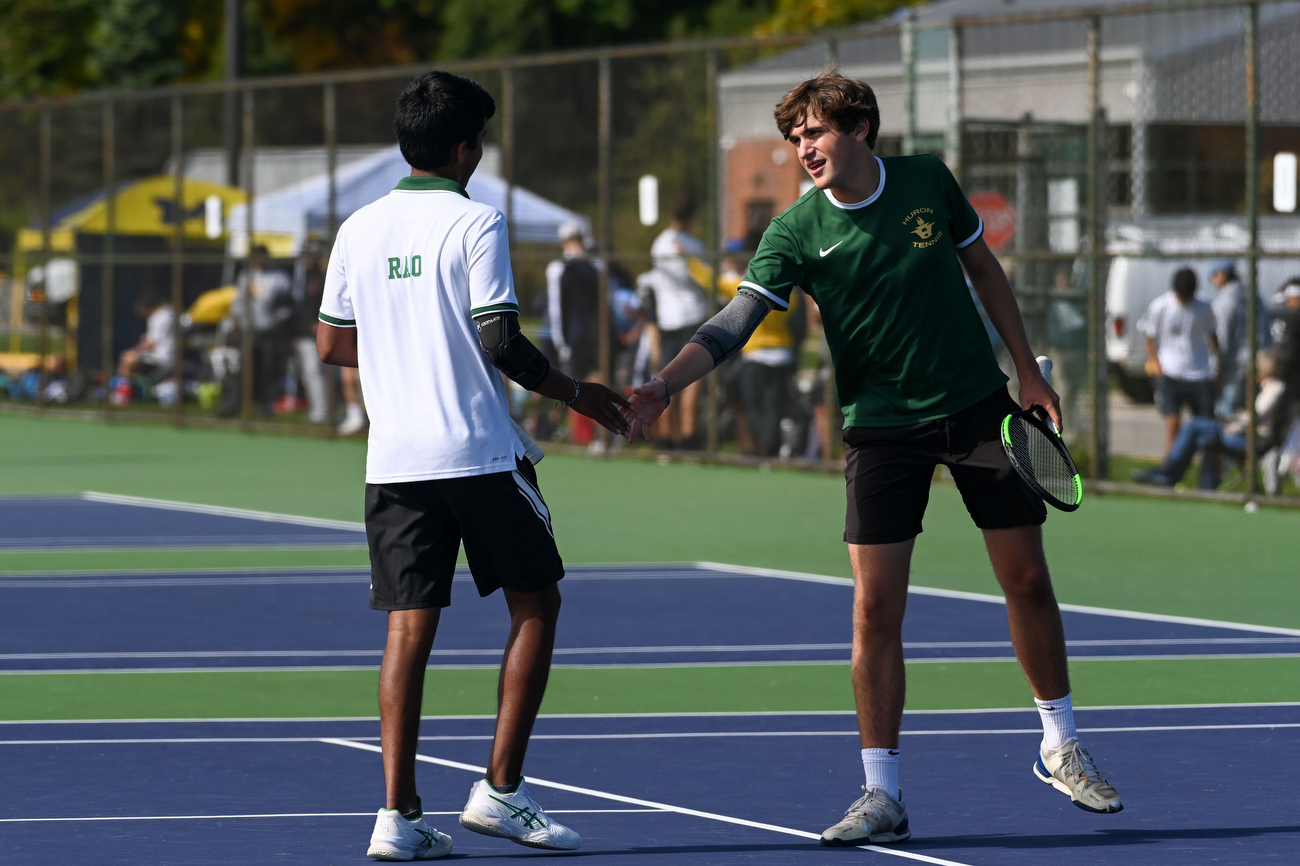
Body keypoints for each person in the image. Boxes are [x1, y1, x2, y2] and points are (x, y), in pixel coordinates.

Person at [627, 70, 1123, 846]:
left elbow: (983, 270)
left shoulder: (926, 179)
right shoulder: (794, 231)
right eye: (794, 139)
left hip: (975, 409)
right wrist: (662, 383)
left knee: (1026, 577)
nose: (803, 149)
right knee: (873, 609)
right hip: (879, 430)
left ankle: (1061, 745)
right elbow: (737, 318)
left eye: (815, 133)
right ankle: (880, 791)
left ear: (858, 129)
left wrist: (1028, 371)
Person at [316, 70, 629, 861]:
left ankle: (397, 817)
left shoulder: (357, 227)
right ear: (464, 149)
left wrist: (398, 347)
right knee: (537, 605)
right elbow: (500, 342)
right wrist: (577, 393)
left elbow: (330, 344)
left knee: (407, 632)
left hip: (393, 463)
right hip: (479, 454)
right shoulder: (476, 222)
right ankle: (500, 793)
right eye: (479, 143)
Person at [1131, 350, 1287, 490]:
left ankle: (1168, 472)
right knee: (1203, 438)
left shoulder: (1275, 389)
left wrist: (1234, 426)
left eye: (1257, 368)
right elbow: (1252, 415)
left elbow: (1258, 417)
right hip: (1243, 434)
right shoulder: (1268, 388)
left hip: (1251, 440)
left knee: (1194, 425)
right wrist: (1230, 419)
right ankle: (1195, 481)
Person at [639, 195, 710, 449]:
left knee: (668, 380)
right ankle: (688, 438)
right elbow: (704, 279)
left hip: (669, 319)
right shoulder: (694, 246)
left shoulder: (659, 243)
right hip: (692, 317)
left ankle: (667, 440)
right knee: (693, 379)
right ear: (692, 217)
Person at [1138, 267, 1219, 454]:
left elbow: (1213, 337)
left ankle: (1209, 476)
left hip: (1200, 374)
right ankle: (1169, 471)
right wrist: (1157, 365)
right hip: (1171, 373)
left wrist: (1216, 368)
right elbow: (1149, 338)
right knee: (1173, 422)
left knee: (1207, 427)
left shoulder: (1205, 306)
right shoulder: (1161, 306)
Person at [234, 245, 294, 418]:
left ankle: (266, 407)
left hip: (269, 332)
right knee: (245, 369)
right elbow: (238, 302)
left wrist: (277, 319)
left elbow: (289, 305)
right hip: (248, 330)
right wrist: (238, 320)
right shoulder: (246, 276)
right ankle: (239, 405)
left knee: (269, 370)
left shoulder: (280, 278)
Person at [545, 221, 602, 380]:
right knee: (594, 379)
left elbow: (556, 307)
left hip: (572, 335)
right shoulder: (596, 266)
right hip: (594, 333)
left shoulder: (558, 268)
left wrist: (560, 341)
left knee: (572, 386)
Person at [291, 243, 329, 424]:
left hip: (317, 333)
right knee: (307, 373)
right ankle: (317, 409)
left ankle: (322, 411)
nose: (309, 259)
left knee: (315, 372)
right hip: (301, 333)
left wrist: (320, 322)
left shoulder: (322, 278)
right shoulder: (300, 279)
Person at [1209, 258, 1248, 418]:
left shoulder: (1225, 302)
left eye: (1213, 275)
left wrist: (1217, 369)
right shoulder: (1252, 295)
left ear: (1222, 275)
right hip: (1257, 363)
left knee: (1226, 413)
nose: (1211, 280)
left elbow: (1221, 340)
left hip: (1233, 366)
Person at [117, 293, 175, 381]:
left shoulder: (157, 317)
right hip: (172, 356)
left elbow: (150, 345)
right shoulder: (169, 312)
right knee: (132, 358)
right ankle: (138, 387)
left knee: (127, 358)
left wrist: (138, 347)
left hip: (161, 358)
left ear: (147, 307)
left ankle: (123, 390)